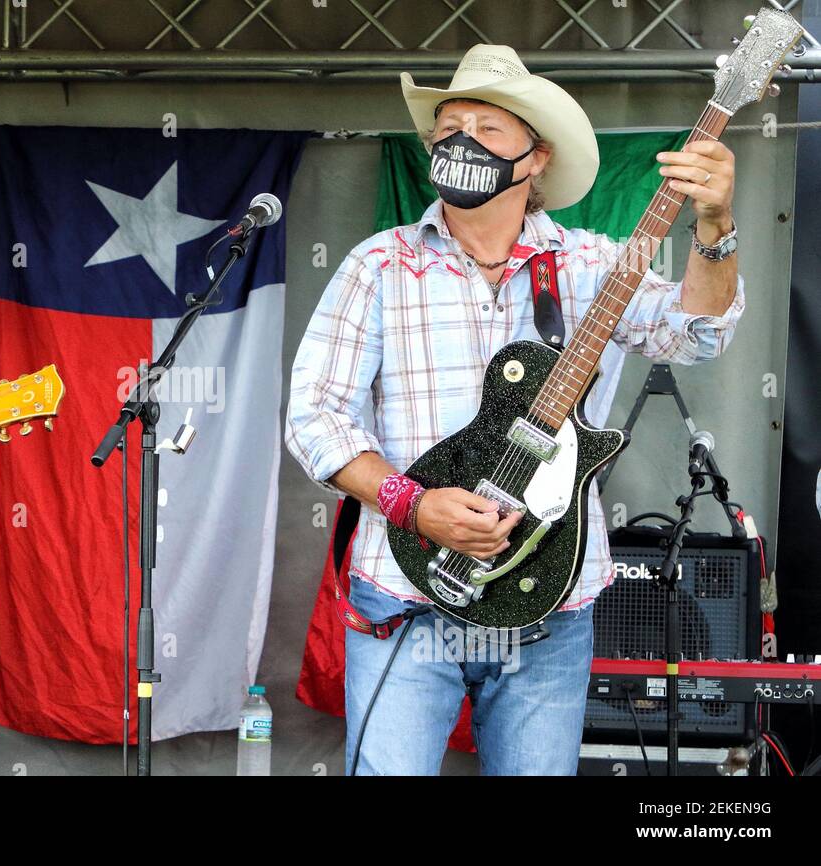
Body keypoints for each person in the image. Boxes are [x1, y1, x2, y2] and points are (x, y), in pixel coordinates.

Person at [286, 44, 744, 775]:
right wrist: (413, 503)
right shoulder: (378, 265)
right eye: (447, 126)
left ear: (536, 159)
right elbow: (313, 414)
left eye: (487, 127)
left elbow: (701, 331)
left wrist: (715, 225)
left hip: (548, 606)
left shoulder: (596, 264)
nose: (459, 139)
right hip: (409, 592)